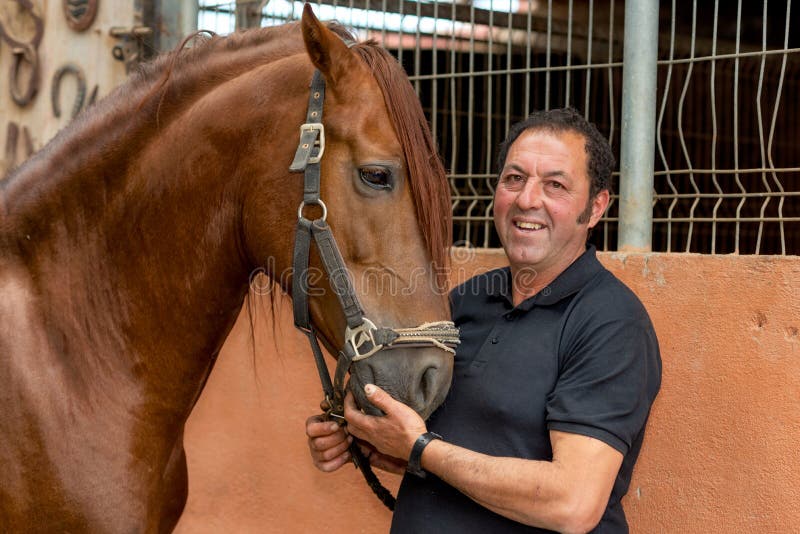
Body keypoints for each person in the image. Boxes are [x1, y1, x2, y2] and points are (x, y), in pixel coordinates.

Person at [306, 107, 661, 533]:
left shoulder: (611, 322)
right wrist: (365, 441)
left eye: (555, 185)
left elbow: (573, 503)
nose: (527, 199)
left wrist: (419, 448)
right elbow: (448, 449)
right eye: (514, 179)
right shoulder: (466, 301)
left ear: (596, 207)